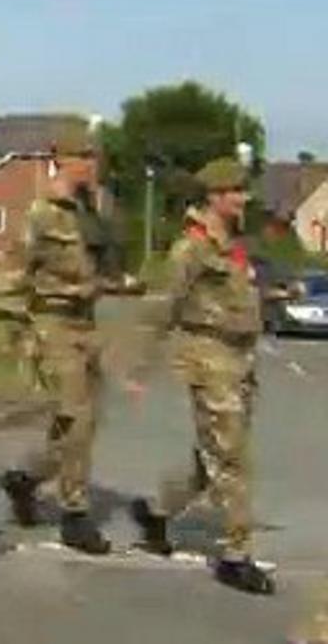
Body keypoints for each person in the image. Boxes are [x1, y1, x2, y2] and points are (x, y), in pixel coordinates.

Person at [127, 157, 275, 595]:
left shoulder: (233, 243)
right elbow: (161, 307)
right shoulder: (191, 247)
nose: (243, 198)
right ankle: (235, 555)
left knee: (210, 462)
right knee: (232, 459)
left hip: (240, 359)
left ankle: (156, 513)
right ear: (214, 195)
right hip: (208, 358)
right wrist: (139, 366)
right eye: (236, 191)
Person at [0, 158, 111, 555]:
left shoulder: (87, 210)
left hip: (86, 324)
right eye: (88, 158)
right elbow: (13, 268)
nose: (95, 167)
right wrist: (17, 332)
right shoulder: (40, 213)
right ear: (66, 161)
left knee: (86, 421)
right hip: (52, 325)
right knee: (75, 419)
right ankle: (74, 513)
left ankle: (26, 477)